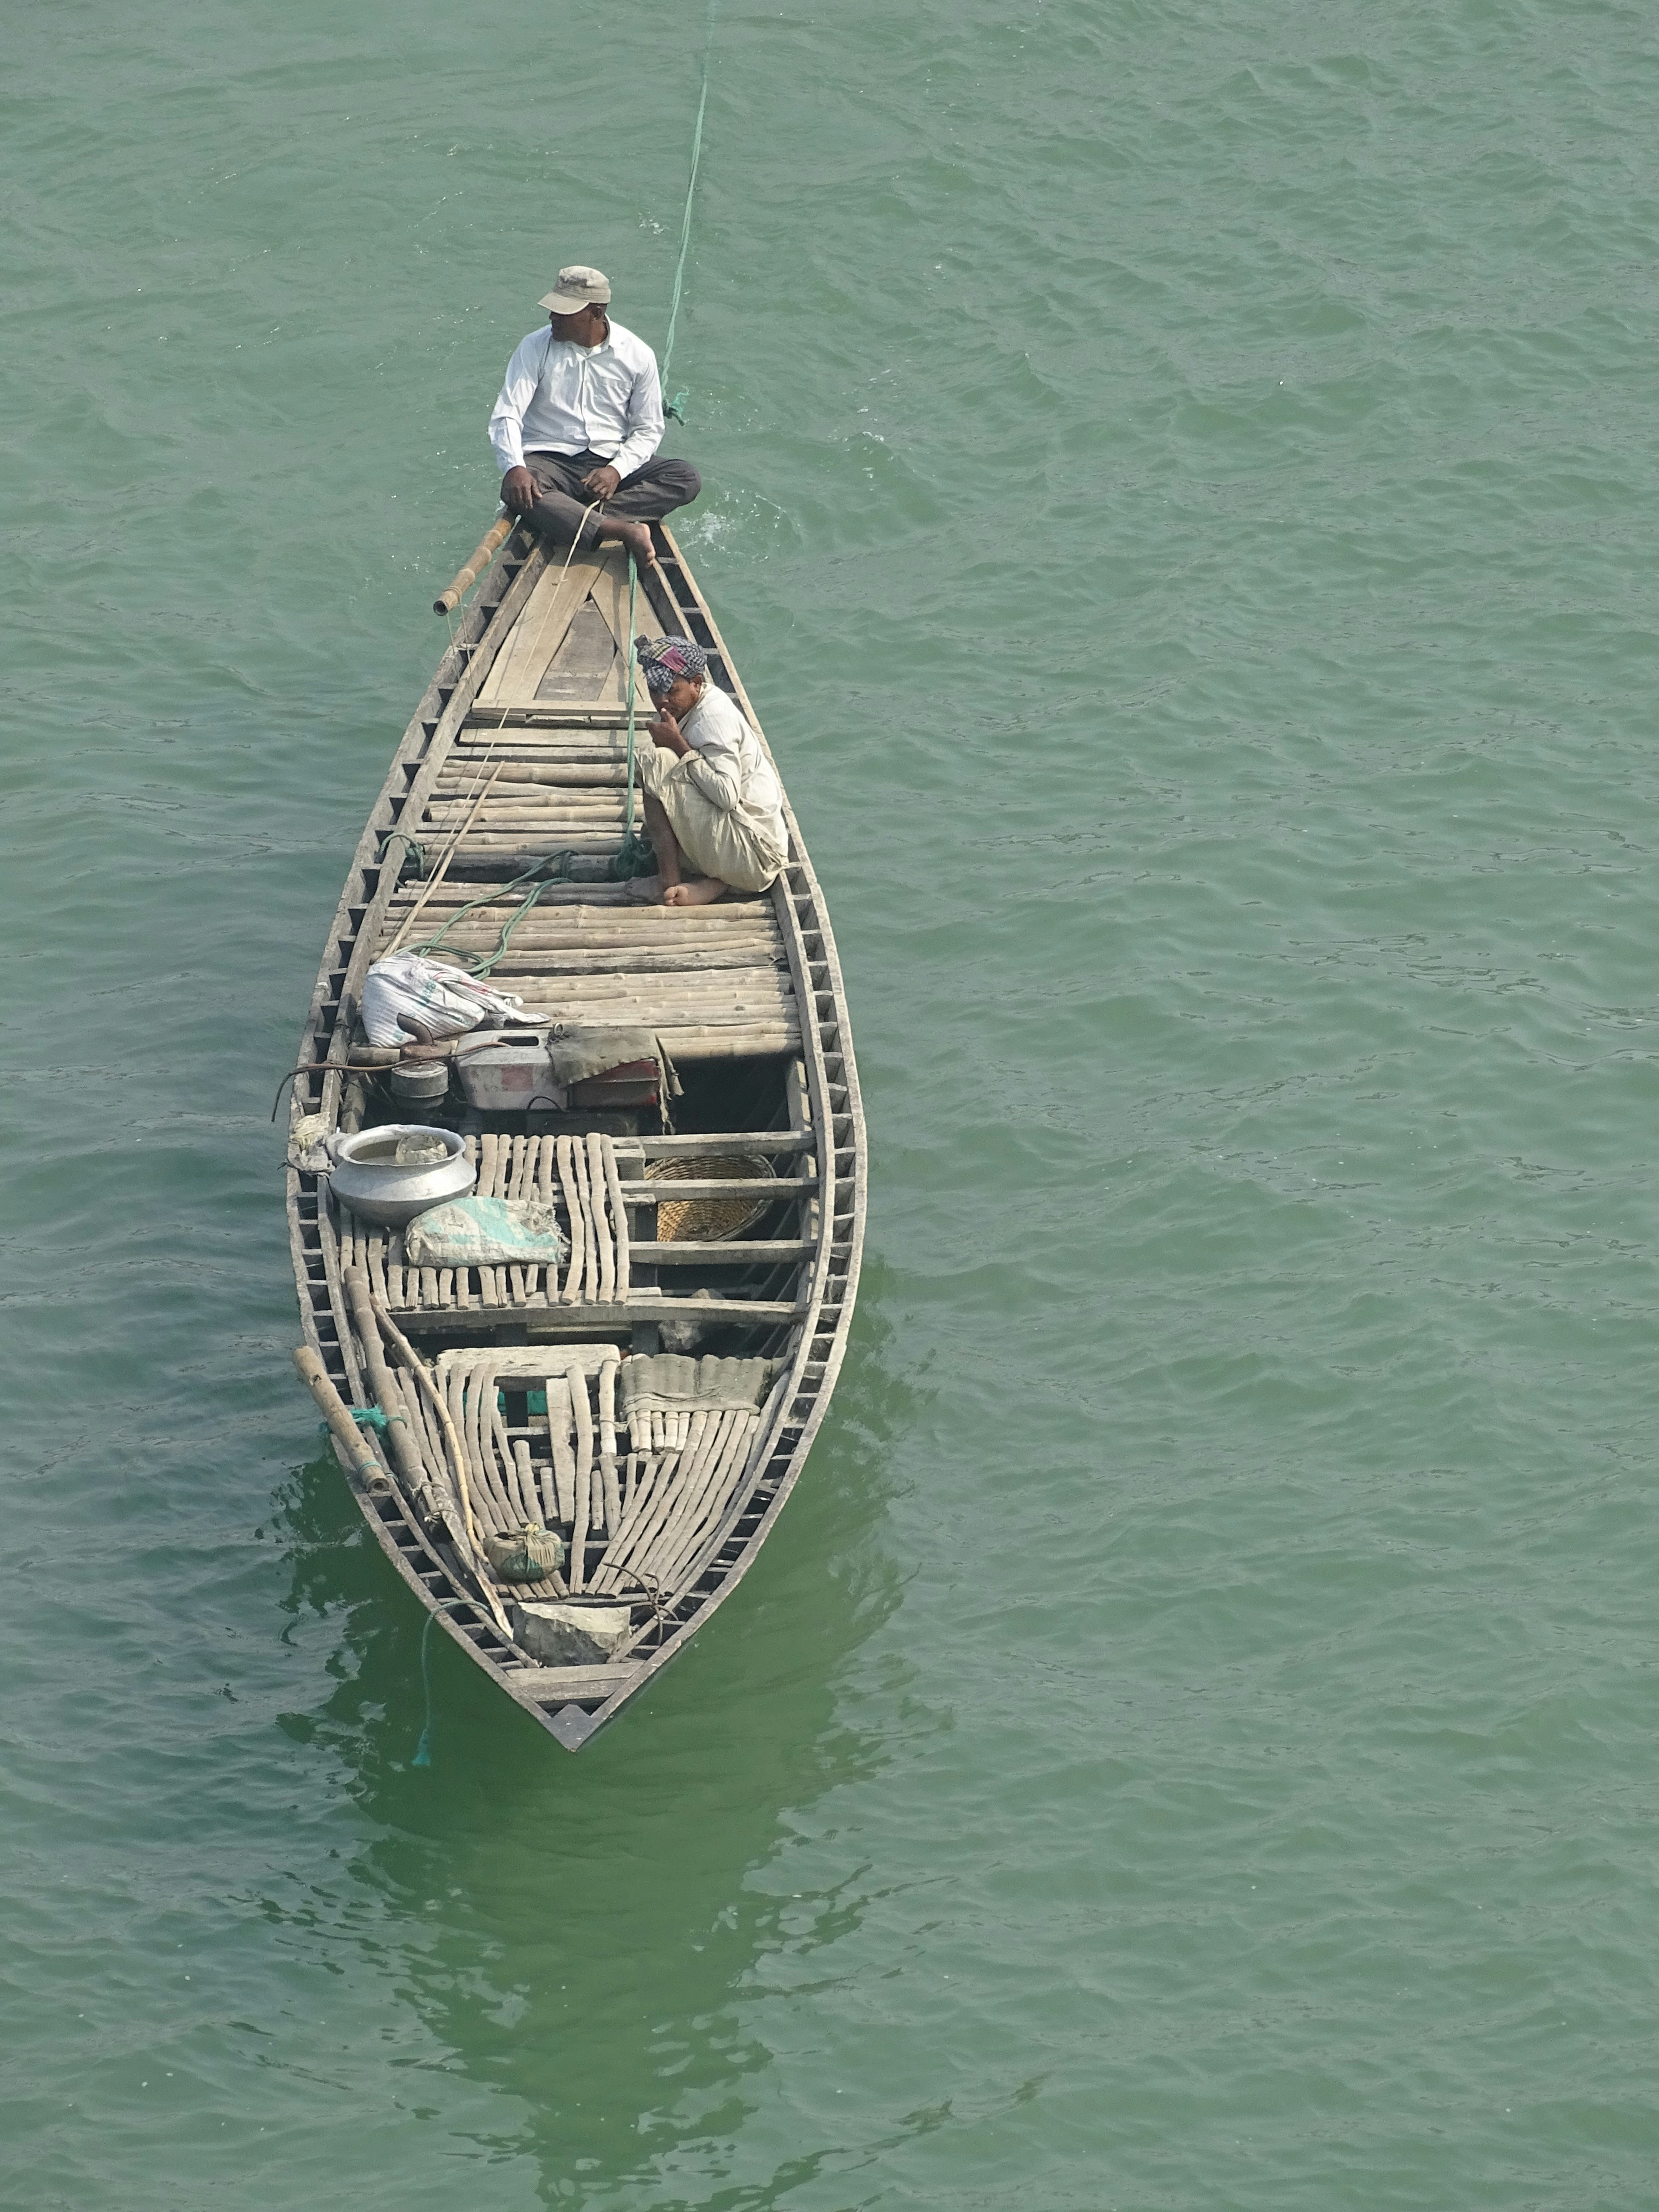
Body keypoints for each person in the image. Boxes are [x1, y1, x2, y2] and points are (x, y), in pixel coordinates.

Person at [487, 265, 699, 572]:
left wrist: (616, 471)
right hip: (550, 461)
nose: (552, 318)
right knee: (516, 490)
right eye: (553, 309)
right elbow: (508, 413)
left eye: (564, 312)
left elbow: (648, 429)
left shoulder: (637, 355)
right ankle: (618, 528)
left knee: (686, 478)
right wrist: (516, 467)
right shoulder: (534, 347)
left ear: (596, 313)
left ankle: (569, 515)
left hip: (607, 462)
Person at [633, 636, 788, 906]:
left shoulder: (712, 720)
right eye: (655, 690)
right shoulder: (698, 704)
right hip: (758, 855)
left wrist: (677, 745)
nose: (662, 701)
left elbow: (726, 796)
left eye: (672, 691)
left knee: (653, 762)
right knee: (654, 831)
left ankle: (667, 882)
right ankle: (717, 884)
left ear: (696, 683)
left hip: (755, 854)